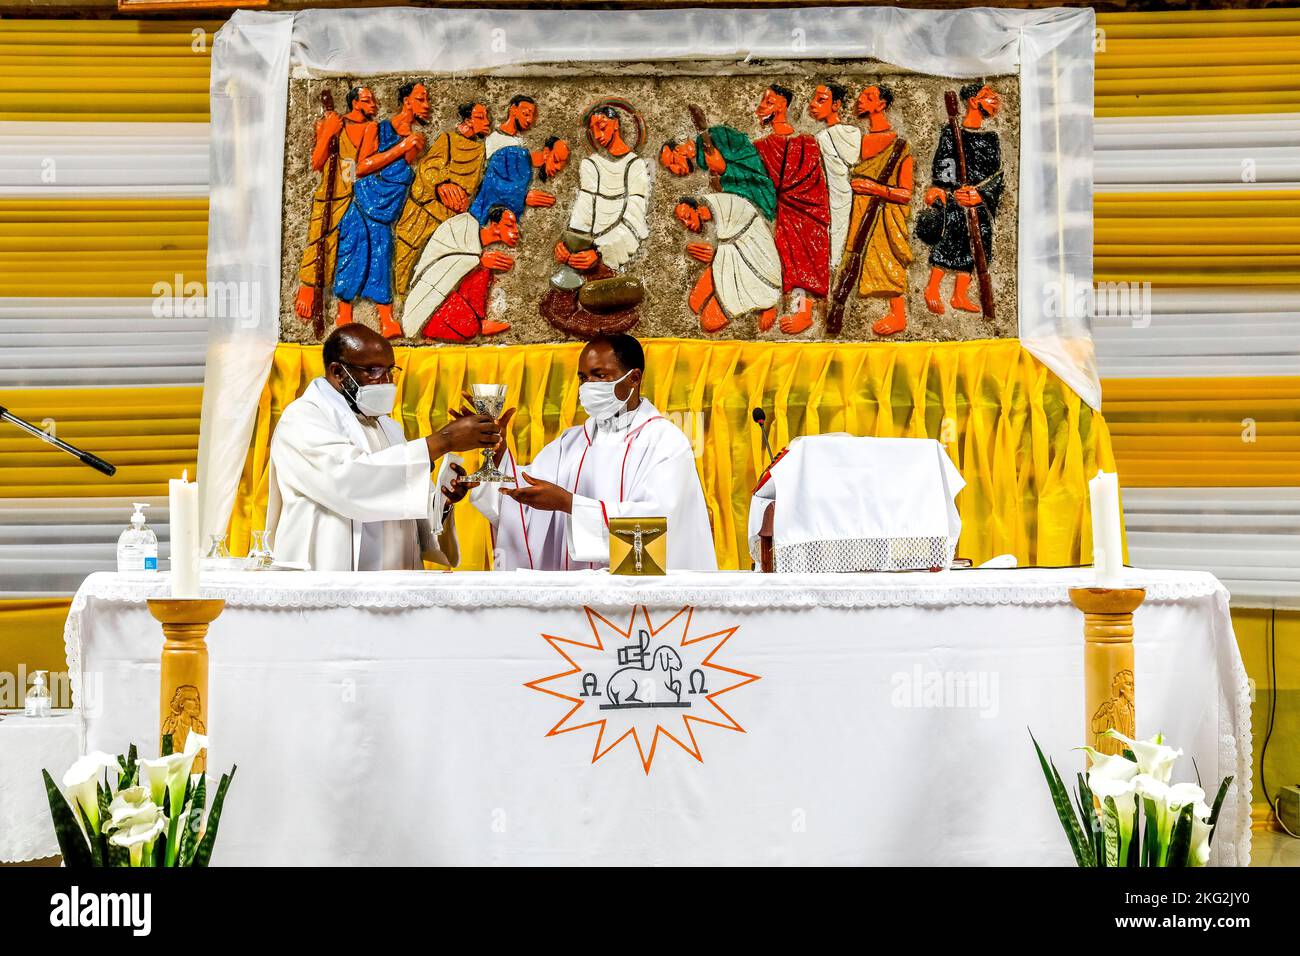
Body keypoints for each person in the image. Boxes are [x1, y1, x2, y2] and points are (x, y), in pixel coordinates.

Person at [470, 335, 717, 572]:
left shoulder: (665, 441)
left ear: (634, 378)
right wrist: (498, 452)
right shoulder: (570, 442)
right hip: (570, 603)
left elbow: (658, 525)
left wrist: (570, 504)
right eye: (583, 378)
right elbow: (524, 500)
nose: (588, 386)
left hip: (634, 604)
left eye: (600, 375)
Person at [266, 325, 501, 571]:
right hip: (326, 573)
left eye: (390, 371)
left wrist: (442, 502)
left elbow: (401, 500)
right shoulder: (302, 418)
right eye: (374, 371)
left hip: (393, 579)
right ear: (338, 372)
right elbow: (349, 482)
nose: (387, 381)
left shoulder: (389, 427)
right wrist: (444, 441)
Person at [333, 81, 430, 339]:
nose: (427, 105)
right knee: (352, 251)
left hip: (387, 206)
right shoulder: (379, 128)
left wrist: (408, 148)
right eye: (421, 99)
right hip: (365, 199)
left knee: (381, 256)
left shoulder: (417, 140)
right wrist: (401, 147)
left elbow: (400, 171)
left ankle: (386, 320)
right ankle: (344, 314)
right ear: (407, 101)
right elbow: (358, 168)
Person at [921, 81, 1003, 315]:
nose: (994, 100)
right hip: (956, 197)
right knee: (951, 240)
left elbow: (997, 176)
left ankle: (960, 294)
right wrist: (943, 189)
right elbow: (943, 161)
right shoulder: (951, 131)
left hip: (978, 201)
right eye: (988, 96)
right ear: (973, 101)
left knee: (978, 244)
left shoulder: (992, 139)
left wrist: (981, 194)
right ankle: (932, 288)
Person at [293, 86, 375, 322]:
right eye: (368, 100)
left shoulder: (370, 128)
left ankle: (342, 306)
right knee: (319, 238)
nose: (374, 105)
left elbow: (363, 165)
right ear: (355, 103)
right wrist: (329, 131)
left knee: (349, 246)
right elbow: (317, 162)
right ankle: (308, 287)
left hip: (353, 193)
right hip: (327, 194)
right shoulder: (328, 124)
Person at [393, 101, 490, 296]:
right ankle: (401, 301)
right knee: (405, 263)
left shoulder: (479, 152)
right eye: (480, 117)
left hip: (447, 221)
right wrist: (441, 184)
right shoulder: (447, 139)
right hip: (421, 213)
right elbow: (428, 167)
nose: (487, 121)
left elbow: (470, 185)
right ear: (467, 121)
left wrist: (462, 199)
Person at [845, 84, 914, 336]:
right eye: (862, 95)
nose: (861, 100)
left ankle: (898, 314)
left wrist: (875, 188)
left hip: (885, 214)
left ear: (882, 105)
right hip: (856, 211)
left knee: (888, 258)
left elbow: (906, 194)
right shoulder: (856, 140)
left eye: (869, 97)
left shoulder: (899, 145)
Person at [401, 205, 519, 341]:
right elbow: (434, 269)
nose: (516, 231)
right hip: (427, 310)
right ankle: (477, 324)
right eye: (510, 225)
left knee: (483, 269)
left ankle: (479, 321)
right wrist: (478, 261)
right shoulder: (460, 228)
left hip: (451, 310)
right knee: (470, 327)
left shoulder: (476, 246)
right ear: (495, 226)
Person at [673, 195, 781, 333]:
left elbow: (758, 253)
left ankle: (767, 305)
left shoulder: (730, 209)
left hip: (755, 275)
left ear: (698, 210)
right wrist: (717, 256)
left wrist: (717, 255)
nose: (687, 224)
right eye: (682, 222)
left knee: (708, 322)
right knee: (694, 302)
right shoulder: (714, 219)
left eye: (688, 216)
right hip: (726, 263)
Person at [808, 80, 861, 272]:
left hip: (837, 193)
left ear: (836, 105)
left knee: (837, 240)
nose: (813, 104)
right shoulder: (853, 132)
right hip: (835, 192)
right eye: (814, 99)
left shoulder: (826, 136)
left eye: (821, 100)